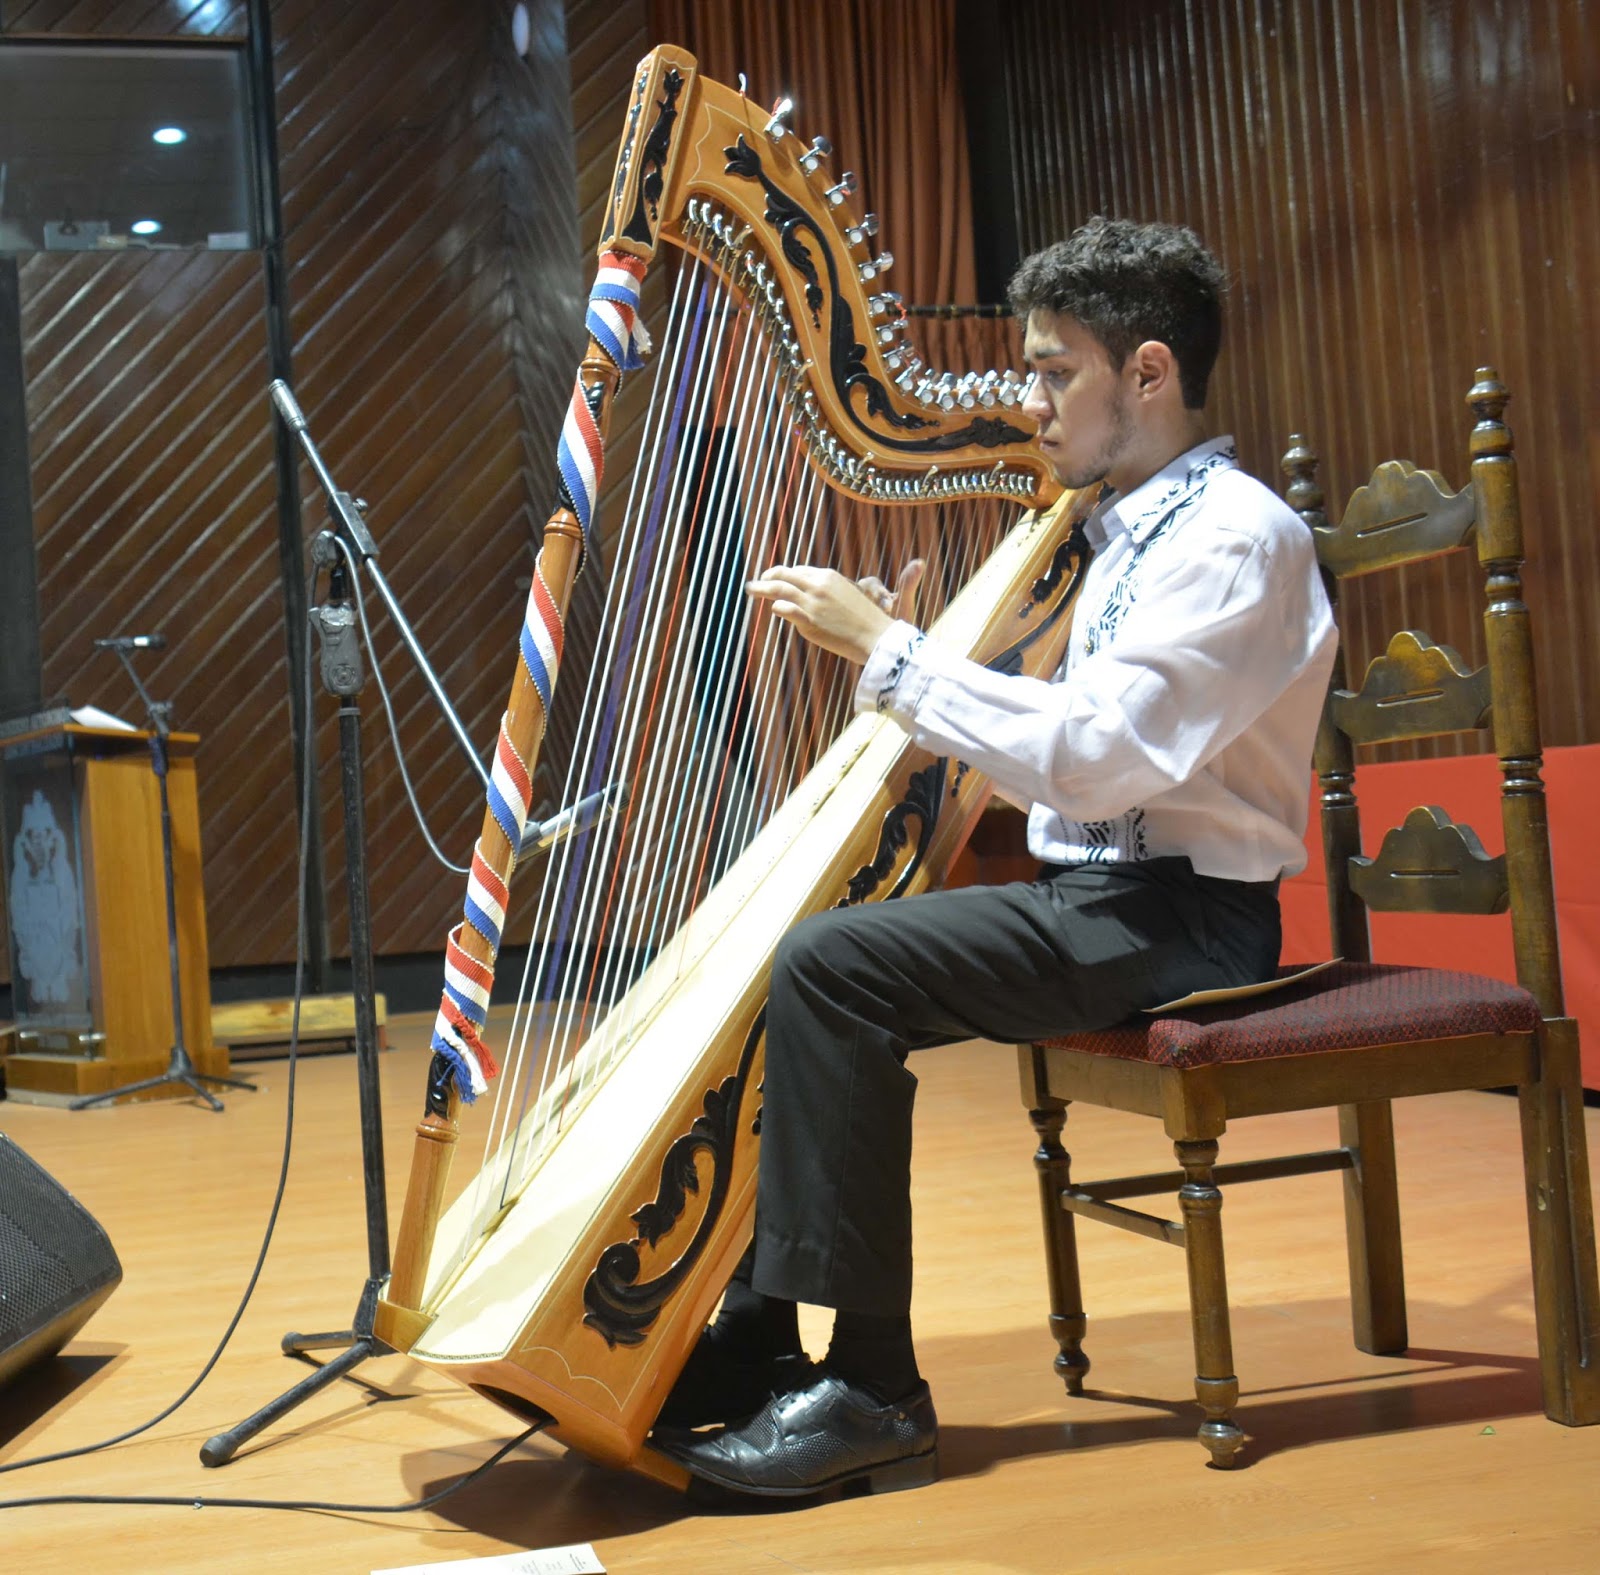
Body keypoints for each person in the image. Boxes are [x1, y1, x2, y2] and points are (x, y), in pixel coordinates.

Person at [651, 216, 1338, 1502]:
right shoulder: (1125, 527)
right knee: (803, 958)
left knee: (834, 966)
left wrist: (897, 661)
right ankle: (758, 1329)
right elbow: (1073, 756)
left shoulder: (1233, 538)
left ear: (1146, 373)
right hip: (1105, 894)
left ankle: (870, 1389)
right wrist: (926, 672)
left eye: (1049, 372)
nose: (1029, 405)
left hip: (1189, 917)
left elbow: (1097, 758)